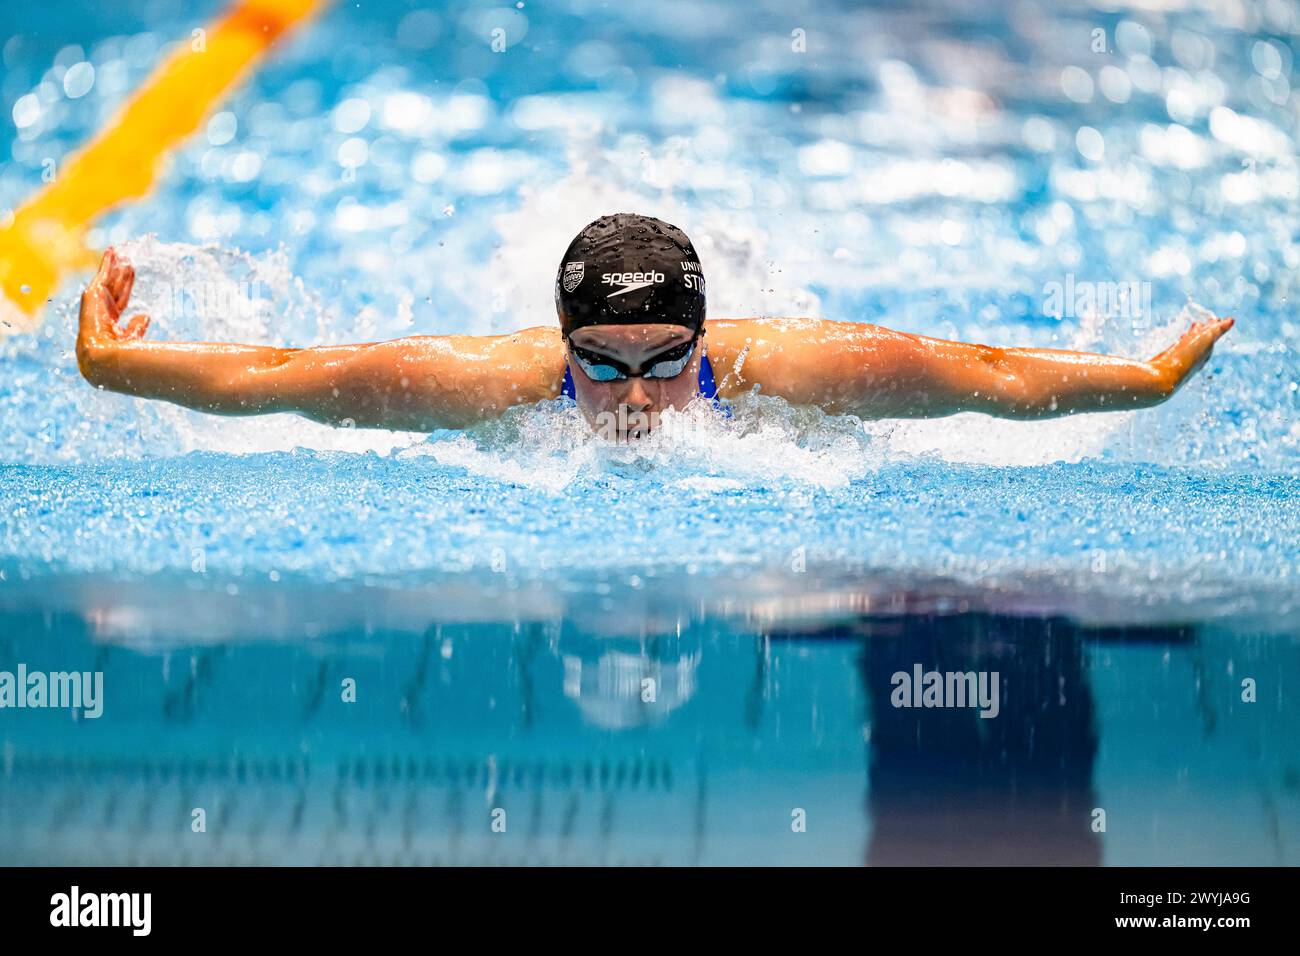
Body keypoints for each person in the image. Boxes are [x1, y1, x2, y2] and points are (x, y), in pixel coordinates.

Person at [76, 213, 1233, 441]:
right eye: (601, 367)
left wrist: (1143, 378)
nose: (633, 402)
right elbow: (283, 373)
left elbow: (980, 372)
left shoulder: (797, 373)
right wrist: (115, 365)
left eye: (665, 366)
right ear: (558, 345)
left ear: (707, 342)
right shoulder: (492, 384)